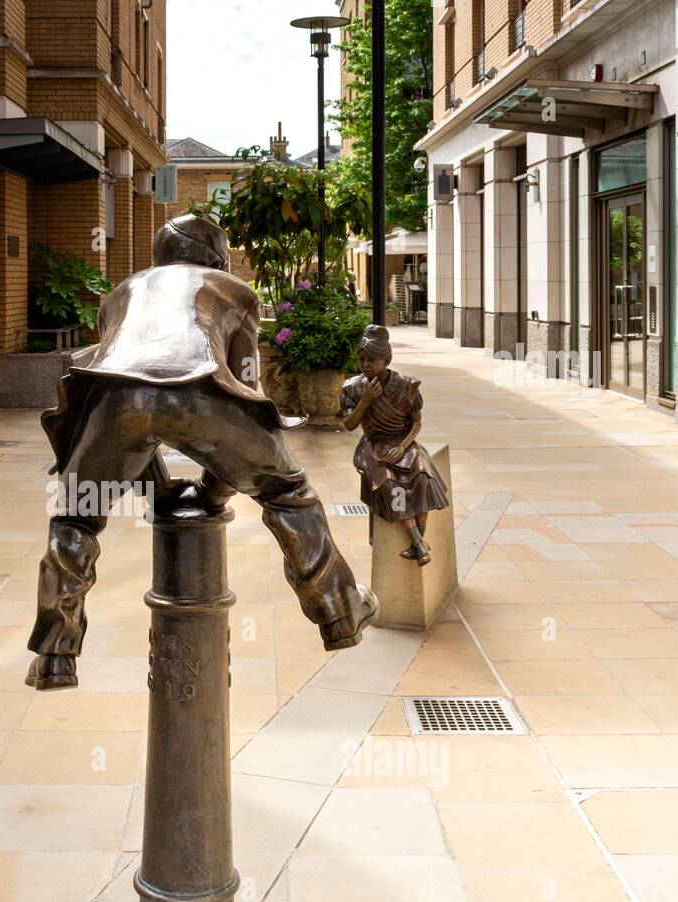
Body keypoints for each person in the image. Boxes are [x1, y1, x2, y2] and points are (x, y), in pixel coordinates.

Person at [25, 214, 378, 691]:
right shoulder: (234, 290)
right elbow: (246, 391)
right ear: (215, 255)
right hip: (199, 395)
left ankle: (55, 653)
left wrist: (160, 492)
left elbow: (132, 396)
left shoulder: (120, 294)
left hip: (112, 404)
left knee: (75, 515)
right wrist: (215, 493)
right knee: (286, 491)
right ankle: (339, 613)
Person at [340, 325, 450, 565]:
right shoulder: (352, 388)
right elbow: (349, 424)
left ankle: (418, 544)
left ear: (387, 360)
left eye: (372, 360)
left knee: (423, 478)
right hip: (375, 445)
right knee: (391, 485)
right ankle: (420, 545)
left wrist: (403, 446)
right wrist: (365, 401)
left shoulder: (407, 386)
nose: (365, 364)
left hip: (403, 443)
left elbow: (417, 423)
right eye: (362, 359)